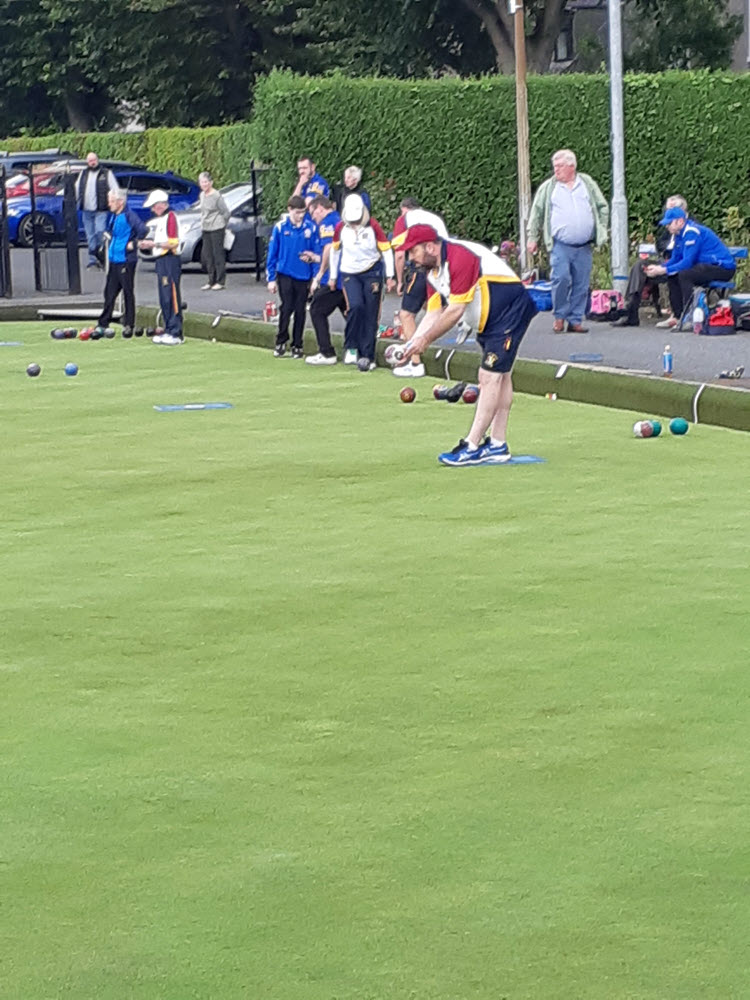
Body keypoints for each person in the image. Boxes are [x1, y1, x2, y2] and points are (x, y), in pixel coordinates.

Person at [398, 223, 537, 466]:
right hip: (488, 320)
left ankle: (472, 445)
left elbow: (454, 312)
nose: (410, 258)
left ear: (430, 246)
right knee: (501, 377)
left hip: (509, 311)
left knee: (489, 376)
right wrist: (411, 345)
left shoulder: (459, 258)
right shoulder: (432, 272)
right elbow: (433, 312)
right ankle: (497, 444)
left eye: (413, 251)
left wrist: (425, 340)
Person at [526, 149, 608, 333]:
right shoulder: (549, 188)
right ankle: (559, 316)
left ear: (572, 166)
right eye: (554, 166)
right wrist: (532, 238)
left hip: (584, 244)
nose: (556, 170)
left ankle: (575, 320)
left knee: (581, 283)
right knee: (560, 278)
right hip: (560, 244)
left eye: (560, 166)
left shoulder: (586, 183)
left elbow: (602, 206)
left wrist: (601, 228)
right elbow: (536, 213)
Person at [329, 193, 395, 370]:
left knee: (371, 313)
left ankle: (368, 356)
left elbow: (386, 250)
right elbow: (334, 251)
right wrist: (333, 276)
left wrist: (390, 275)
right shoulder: (340, 228)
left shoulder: (373, 226)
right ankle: (351, 347)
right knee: (355, 306)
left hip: (372, 271)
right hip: (349, 272)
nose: (354, 224)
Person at [390, 199, 450, 379]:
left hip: (422, 270)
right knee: (433, 308)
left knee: (406, 314)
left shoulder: (404, 220)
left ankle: (414, 362)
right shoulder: (432, 218)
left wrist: (399, 280)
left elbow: (400, 254)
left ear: (405, 210)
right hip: (438, 267)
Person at [644, 207, 736, 324]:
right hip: (706, 266)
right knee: (674, 274)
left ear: (680, 221)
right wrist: (661, 268)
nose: (667, 226)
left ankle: (689, 317)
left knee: (685, 274)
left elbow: (687, 262)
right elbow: (676, 259)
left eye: (669, 223)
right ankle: (677, 317)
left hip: (723, 268)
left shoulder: (691, 233)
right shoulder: (678, 234)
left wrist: (663, 270)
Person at [611, 195, 688, 329]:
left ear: (681, 210)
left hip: (681, 264)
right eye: (667, 208)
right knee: (640, 265)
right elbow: (660, 244)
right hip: (666, 260)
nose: (667, 212)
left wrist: (672, 248)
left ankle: (678, 314)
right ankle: (630, 311)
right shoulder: (667, 227)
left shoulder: (688, 225)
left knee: (674, 272)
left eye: (671, 209)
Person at [266, 195, 316, 359]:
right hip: (285, 273)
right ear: (289, 210)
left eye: (303, 212)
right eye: (297, 212)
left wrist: (314, 275)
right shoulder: (280, 227)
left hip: (303, 275)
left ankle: (297, 344)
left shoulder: (310, 228)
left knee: (300, 310)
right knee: (286, 307)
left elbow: (316, 254)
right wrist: (271, 278)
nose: (300, 215)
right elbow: (272, 253)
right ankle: (281, 341)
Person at [96, 190, 147, 336]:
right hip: (114, 259)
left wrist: (134, 243)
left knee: (127, 292)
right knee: (109, 292)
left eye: (112, 201)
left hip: (126, 260)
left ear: (120, 202)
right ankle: (103, 322)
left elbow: (143, 229)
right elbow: (112, 232)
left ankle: (129, 323)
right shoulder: (114, 216)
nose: (109, 204)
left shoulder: (129, 215)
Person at [138, 189, 184, 346]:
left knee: (171, 294)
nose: (152, 209)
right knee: (164, 296)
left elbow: (174, 242)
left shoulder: (171, 217)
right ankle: (168, 329)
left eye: (153, 206)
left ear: (161, 205)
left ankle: (176, 332)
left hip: (170, 259)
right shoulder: (162, 219)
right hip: (161, 260)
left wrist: (154, 244)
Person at [305, 195, 343, 366]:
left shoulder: (327, 223)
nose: (314, 219)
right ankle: (358, 349)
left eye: (314, 214)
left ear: (320, 208)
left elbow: (329, 248)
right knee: (350, 313)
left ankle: (326, 352)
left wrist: (319, 276)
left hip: (333, 278)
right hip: (346, 276)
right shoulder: (339, 220)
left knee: (316, 310)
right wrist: (315, 258)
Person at [75, 151, 117, 269]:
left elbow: (114, 189)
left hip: (101, 209)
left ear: (97, 160)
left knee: (100, 232)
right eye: (90, 161)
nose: (92, 163)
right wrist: (75, 201)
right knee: (90, 235)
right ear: (87, 162)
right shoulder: (83, 174)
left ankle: (101, 255)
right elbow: (77, 188)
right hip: (86, 210)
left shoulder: (106, 173)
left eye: (94, 160)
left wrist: (113, 203)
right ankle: (93, 260)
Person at [198, 171, 230, 290]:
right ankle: (211, 280)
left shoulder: (216, 195)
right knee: (208, 255)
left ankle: (220, 281)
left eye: (206, 182)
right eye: (202, 182)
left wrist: (223, 224)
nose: (204, 184)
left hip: (217, 227)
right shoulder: (201, 195)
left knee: (218, 255)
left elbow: (226, 212)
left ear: (211, 182)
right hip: (205, 228)